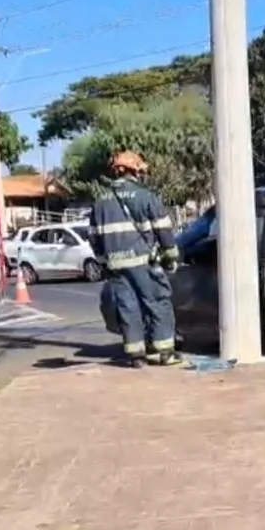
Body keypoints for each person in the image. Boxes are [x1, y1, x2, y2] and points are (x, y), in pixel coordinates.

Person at [90, 151, 182, 368]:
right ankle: (165, 353)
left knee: (127, 307)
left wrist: (104, 261)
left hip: (115, 265)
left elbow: (93, 236)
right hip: (143, 262)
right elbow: (164, 230)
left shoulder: (101, 201)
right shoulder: (145, 196)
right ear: (135, 172)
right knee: (158, 302)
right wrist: (171, 256)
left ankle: (136, 356)